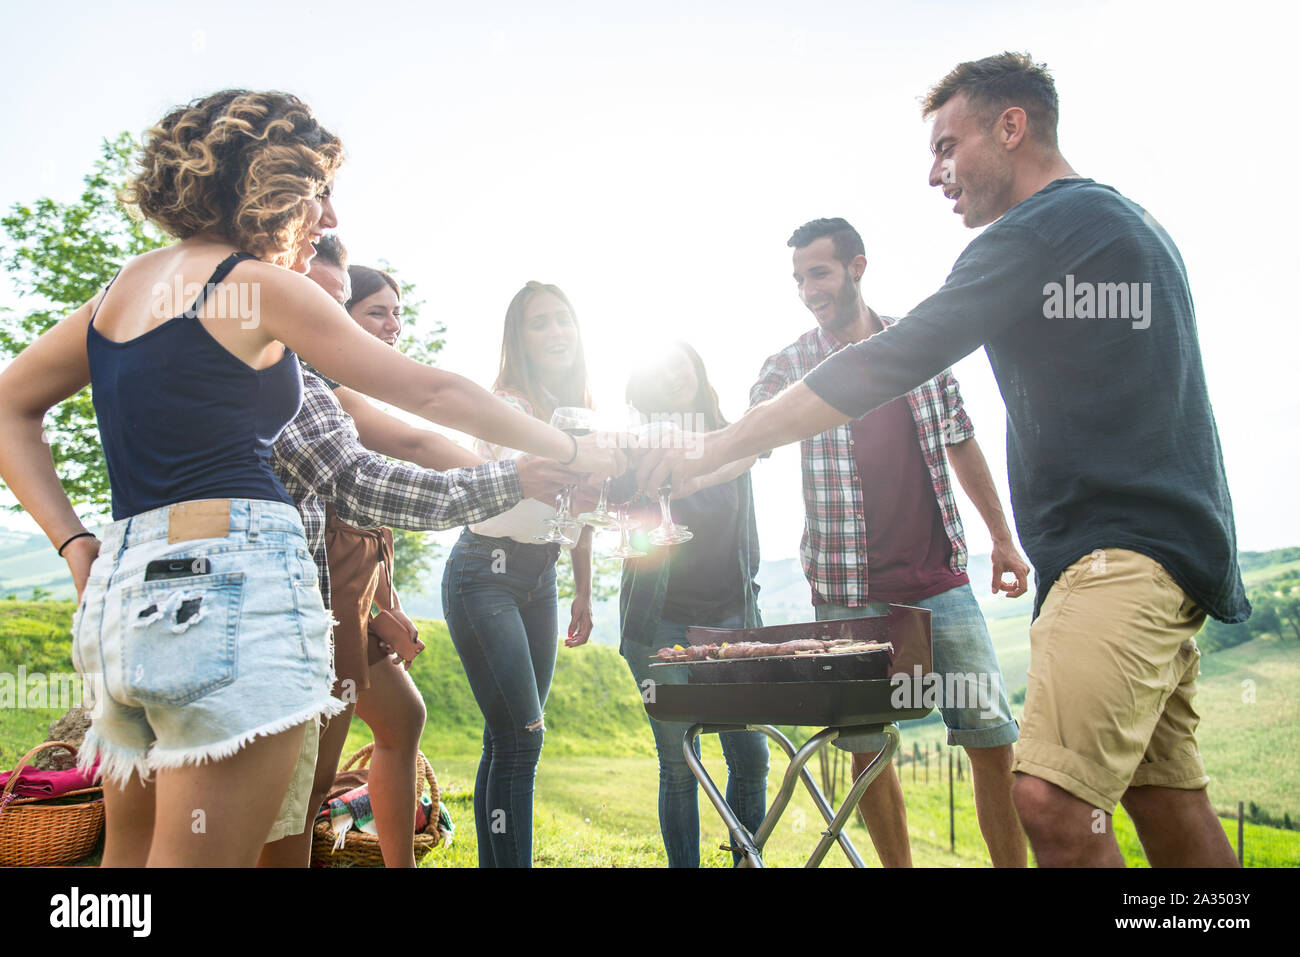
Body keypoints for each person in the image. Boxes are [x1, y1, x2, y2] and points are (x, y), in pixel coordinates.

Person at [637, 53, 1248, 868]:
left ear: (1011, 126)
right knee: (1167, 803)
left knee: (1049, 800)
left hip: (1118, 561)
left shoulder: (1042, 228)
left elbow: (888, 361)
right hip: (1166, 557)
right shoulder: (1121, 224)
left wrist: (711, 447)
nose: (936, 173)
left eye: (948, 146)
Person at [0, 89, 621, 867]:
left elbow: (8, 406)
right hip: (234, 593)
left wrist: (75, 541)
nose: (327, 218)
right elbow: (430, 392)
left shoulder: (122, 292)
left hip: (122, 602)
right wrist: (563, 448)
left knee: (127, 872)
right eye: (319, 190)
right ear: (272, 182)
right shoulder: (257, 285)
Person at [259, 238, 580, 866]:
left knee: (399, 719)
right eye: (370, 310)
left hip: (344, 592)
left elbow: (358, 522)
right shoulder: (305, 383)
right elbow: (411, 446)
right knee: (302, 783)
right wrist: (522, 484)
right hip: (301, 604)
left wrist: (384, 604)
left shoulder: (331, 388)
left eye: (393, 312)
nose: (391, 325)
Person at [749, 217, 1026, 867]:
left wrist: (1003, 539)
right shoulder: (790, 363)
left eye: (818, 272)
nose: (808, 289)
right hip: (849, 591)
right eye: (798, 279)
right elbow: (755, 430)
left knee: (991, 740)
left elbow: (960, 437)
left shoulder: (918, 345)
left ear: (857, 266)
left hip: (942, 581)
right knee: (867, 748)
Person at [441, 281, 598, 868]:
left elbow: (579, 510)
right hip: (485, 573)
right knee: (522, 737)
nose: (557, 332)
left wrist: (582, 587)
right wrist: (578, 462)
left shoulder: (582, 410)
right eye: (541, 323)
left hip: (543, 578)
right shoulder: (506, 405)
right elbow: (514, 483)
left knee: (505, 738)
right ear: (519, 339)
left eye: (564, 319)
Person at [620, 341, 769, 867]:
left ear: (696, 370)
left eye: (679, 363)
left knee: (750, 756)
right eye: (659, 368)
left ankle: (745, 860)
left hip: (731, 619)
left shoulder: (733, 436)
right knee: (679, 762)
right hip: (660, 621)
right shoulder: (638, 442)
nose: (672, 374)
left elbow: (761, 443)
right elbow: (617, 508)